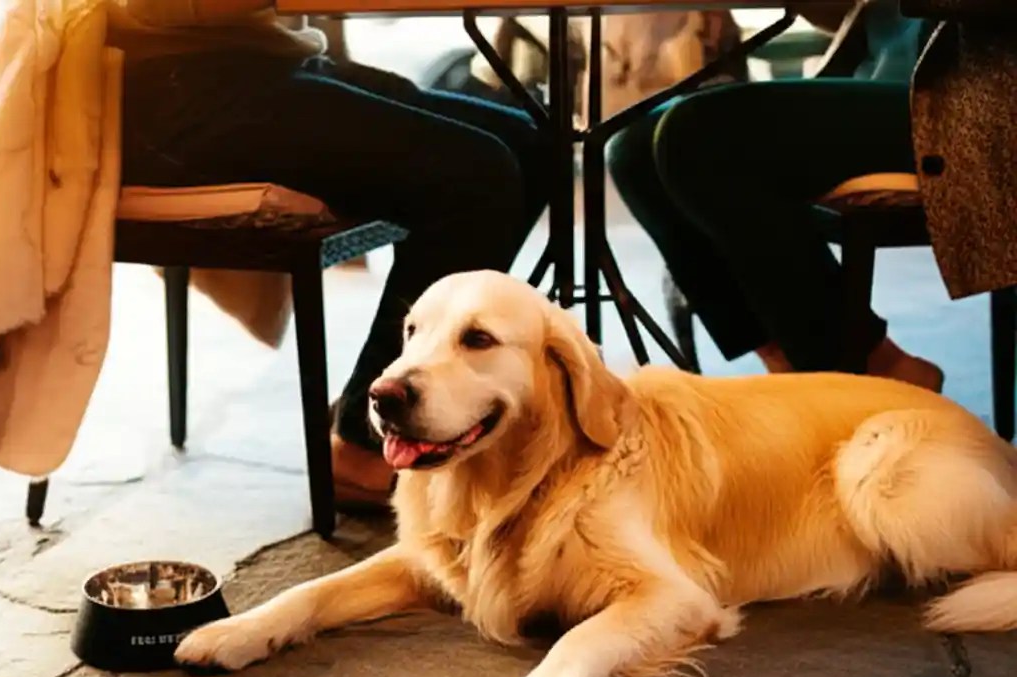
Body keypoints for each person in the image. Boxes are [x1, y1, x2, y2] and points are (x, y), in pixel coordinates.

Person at [115, 2, 551, 508]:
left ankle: (395, 398)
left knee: (532, 142)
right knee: (479, 175)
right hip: (174, 89)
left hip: (261, 60)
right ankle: (364, 447)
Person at [606, 0, 943, 390]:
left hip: (960, 95)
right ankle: (792, 360)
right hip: (879, 75)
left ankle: (853, 370)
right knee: (633, 148)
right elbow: (840, 13)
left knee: (699, 135)